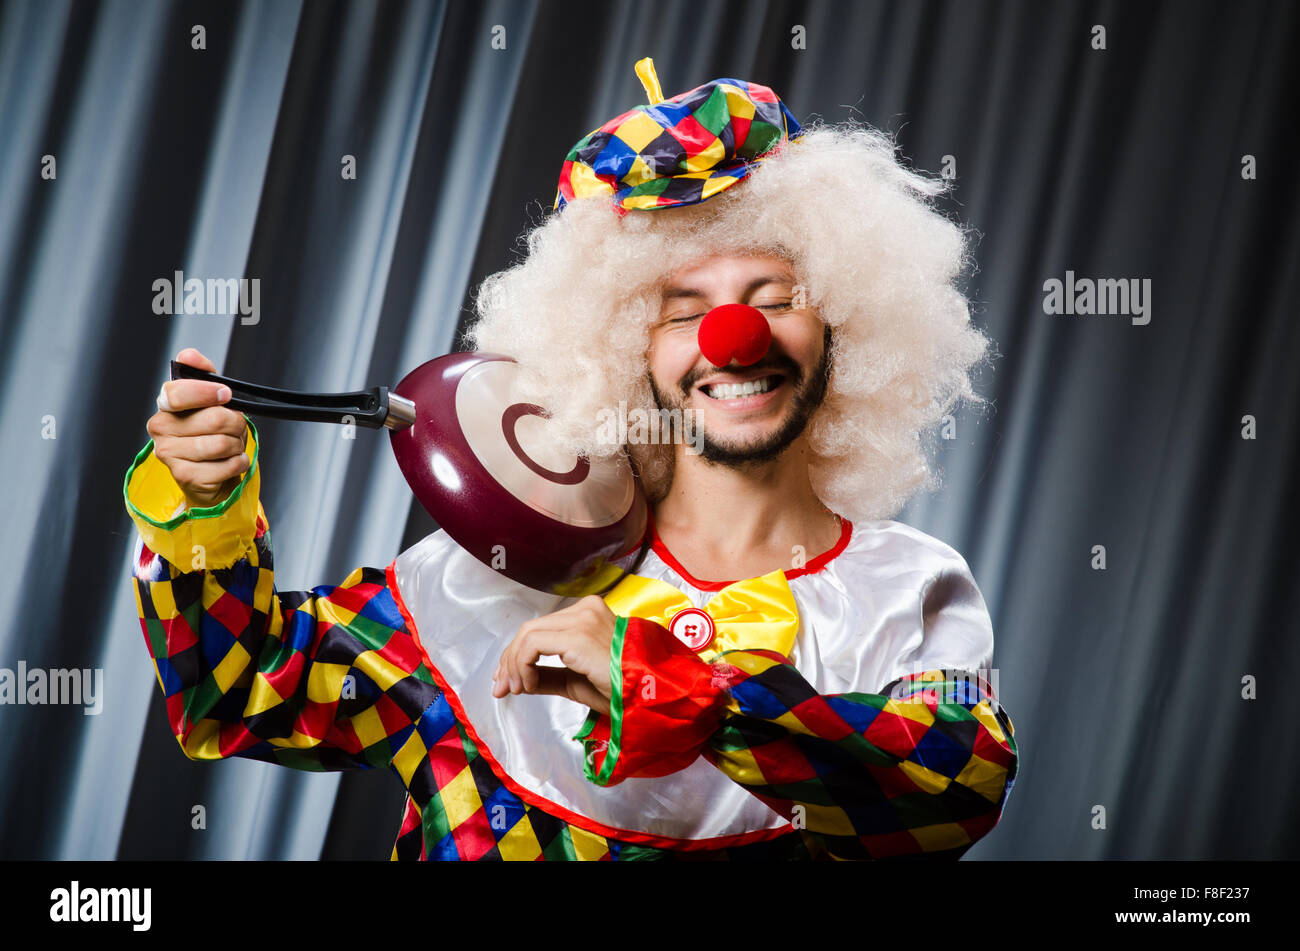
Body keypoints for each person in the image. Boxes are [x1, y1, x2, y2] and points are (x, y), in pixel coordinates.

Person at [124, 59, 1018, 860]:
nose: (733, 338)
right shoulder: (491, 577)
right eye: (681, 309)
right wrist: (205, 511)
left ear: (846, 322)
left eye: (775, 295)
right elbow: (234, 687)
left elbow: (955, 791)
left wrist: (683, 690)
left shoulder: (908, 588)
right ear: (622, 346)